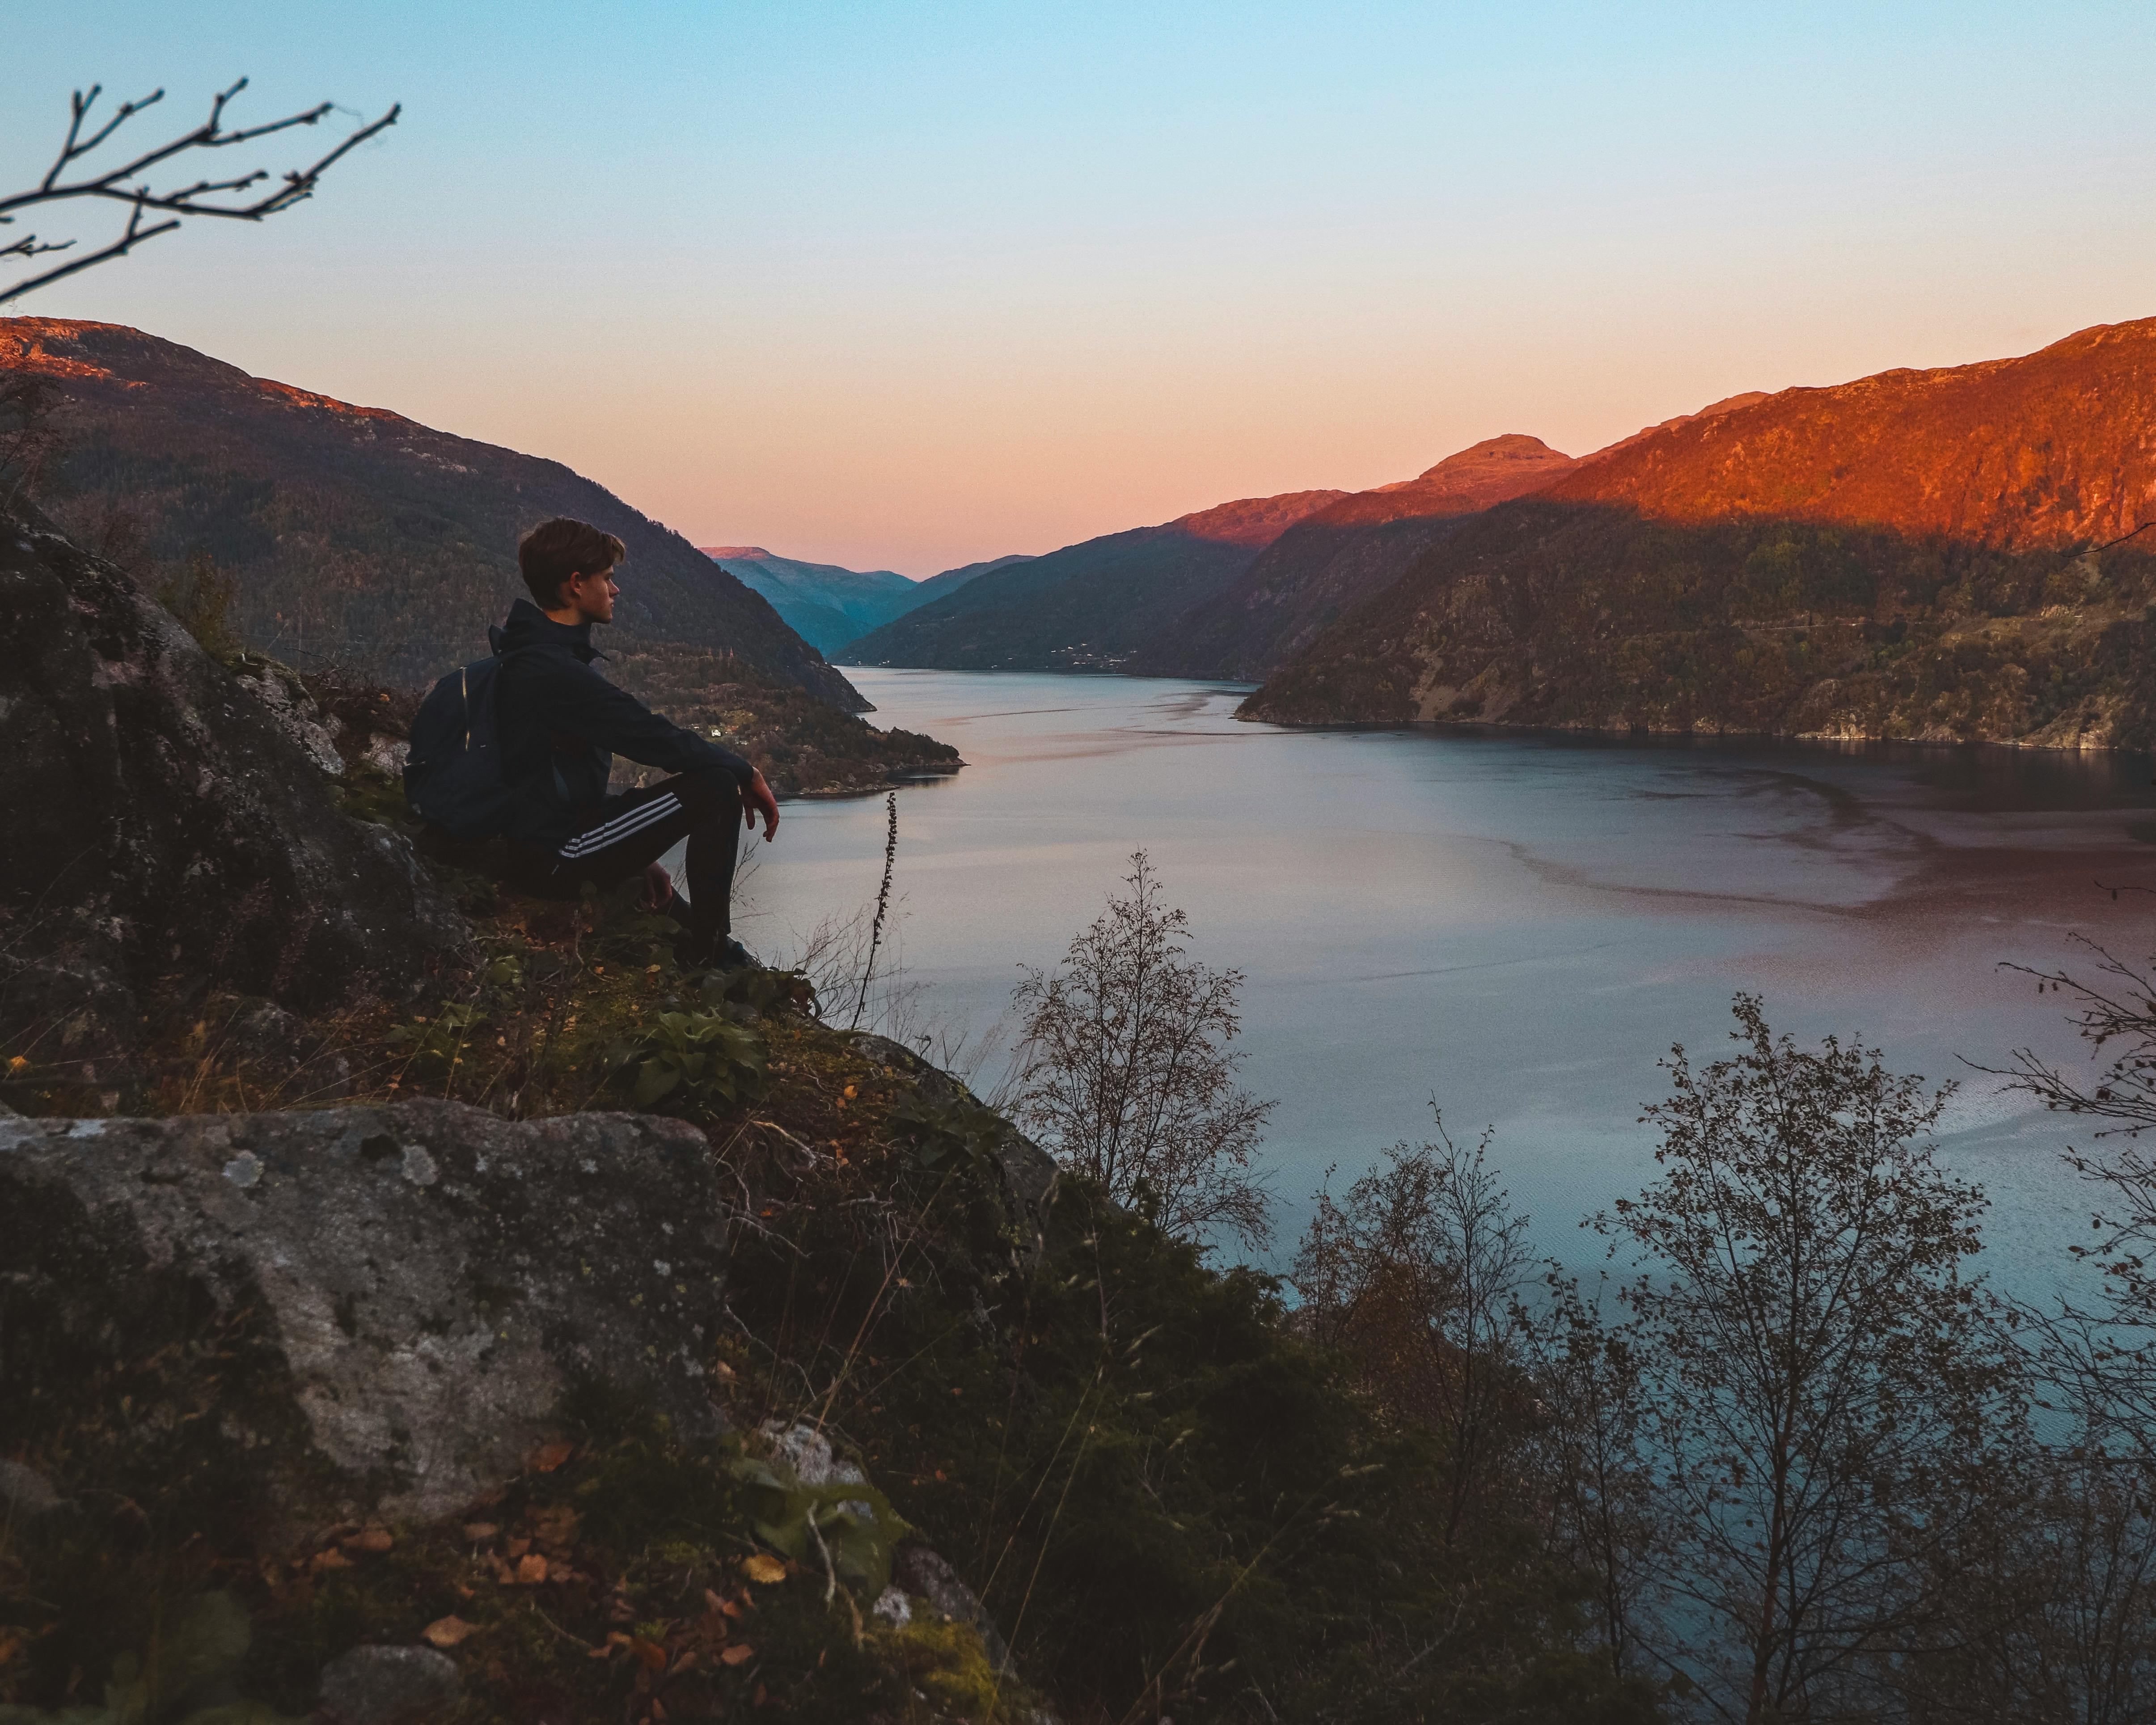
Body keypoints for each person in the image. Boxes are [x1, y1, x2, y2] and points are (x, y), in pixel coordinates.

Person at [489, 517, 780, 967]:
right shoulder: (552, 669)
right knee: (715, 786)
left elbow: (551, 782)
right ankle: (709, 963)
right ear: (575, 585)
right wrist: (747, 771)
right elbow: (651, 736)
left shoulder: (540, 656)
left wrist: (635, 854)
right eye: (607, 578)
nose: (615, 590)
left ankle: (717, 955)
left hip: (558, 838)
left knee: (712, 791)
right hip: (554, 855)